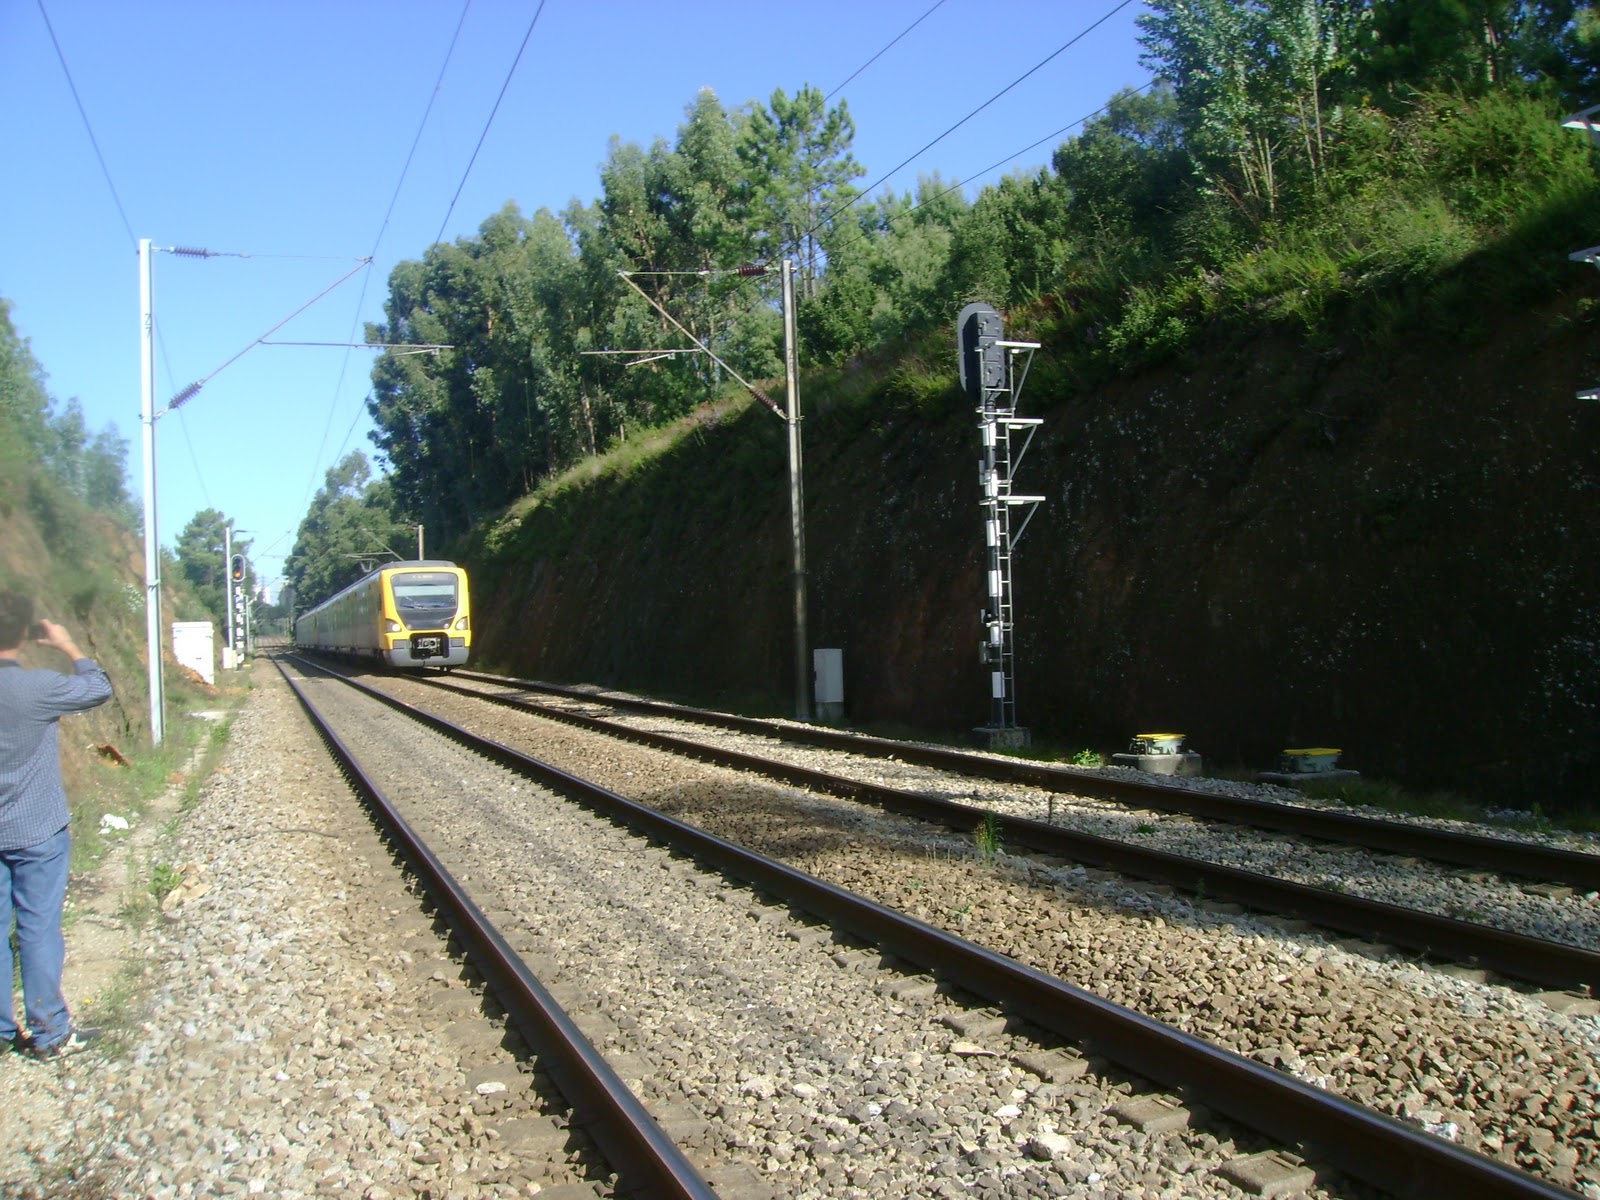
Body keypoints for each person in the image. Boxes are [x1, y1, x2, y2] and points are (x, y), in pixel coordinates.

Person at [0, 592, 112, 1059]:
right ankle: (49, 1033)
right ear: (26, 634)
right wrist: (68, 645)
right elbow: (98, 687)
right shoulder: (39, 687)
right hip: (37, 830)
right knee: (38, 928)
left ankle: (2, 1032)